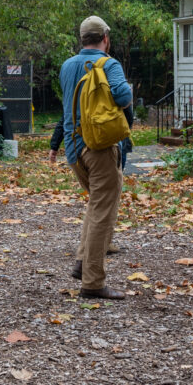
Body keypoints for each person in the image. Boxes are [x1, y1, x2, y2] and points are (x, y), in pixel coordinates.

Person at [59, 16, 133, 301]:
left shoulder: (67, 66)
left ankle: (82, 261)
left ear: (81, 39)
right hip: (100, 147)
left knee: (96, 205)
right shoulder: (109, 64)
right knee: (103, 212)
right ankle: (92, 282)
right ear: (105, 38)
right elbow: (122, 97)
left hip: (74, 148)